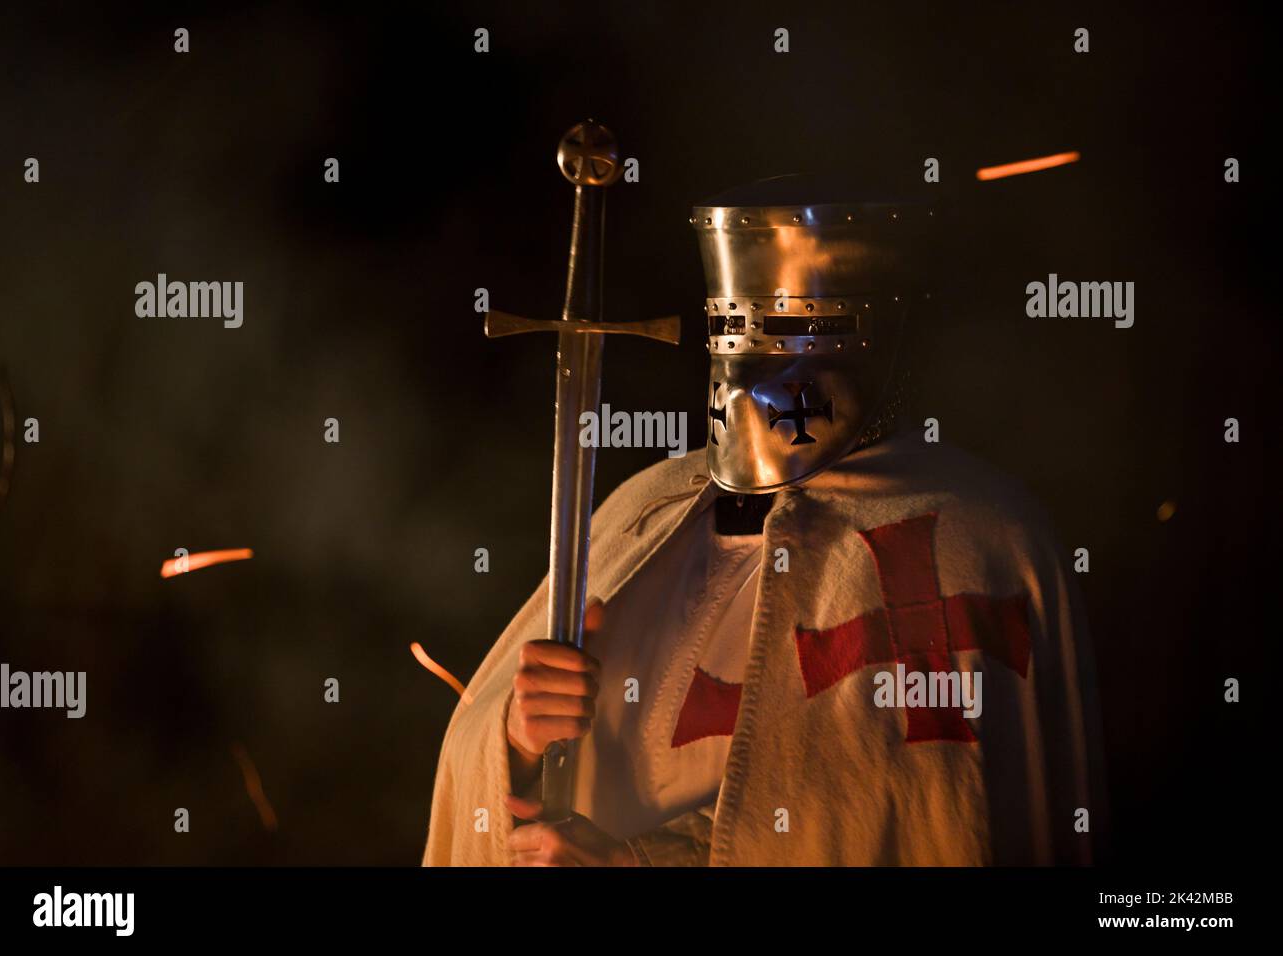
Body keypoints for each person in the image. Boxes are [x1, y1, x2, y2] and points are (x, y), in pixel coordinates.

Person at [423, 176, 1106, 866]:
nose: (751, 366)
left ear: (878, 332)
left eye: (794, 326)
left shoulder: (974, 536)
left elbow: (903, 817)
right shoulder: (645, 506)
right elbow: (477, 778)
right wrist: (515, 739)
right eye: (729, 324)